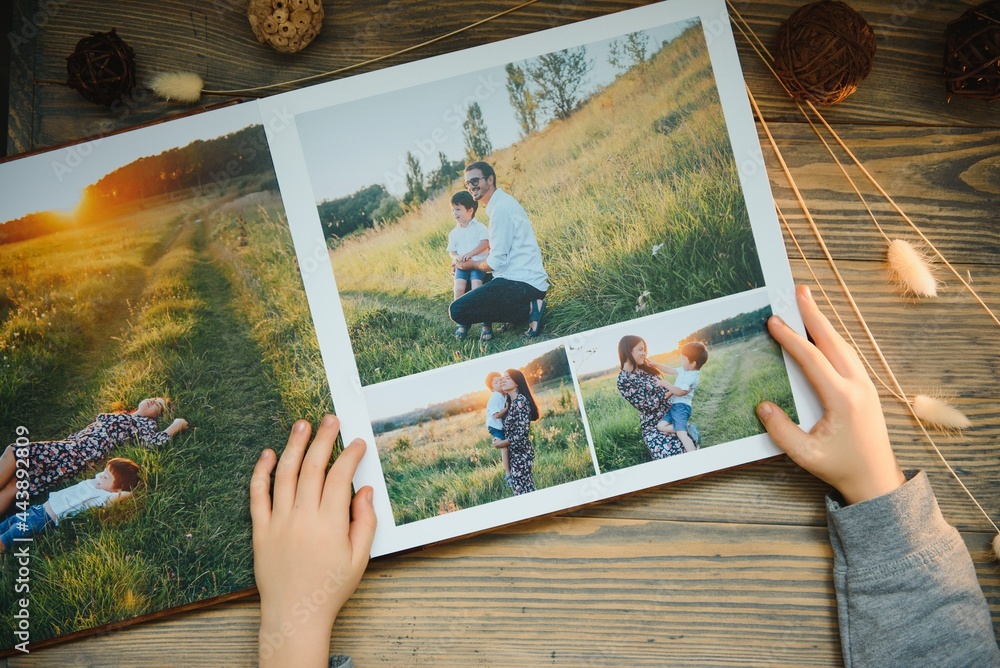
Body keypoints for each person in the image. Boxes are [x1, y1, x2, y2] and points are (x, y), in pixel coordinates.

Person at [252, 286, 1000, 667]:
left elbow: (530, 423)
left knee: (531, 473)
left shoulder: (548, 398)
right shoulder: (624, 383)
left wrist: (293, 626)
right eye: (638, 347)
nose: (645, 352)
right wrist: (877, 494)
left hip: (556, 449)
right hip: (647, 437)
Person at [0, 397, 187, 516]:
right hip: (71, 446)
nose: (153, 401)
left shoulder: (145, 424)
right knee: (16, 484)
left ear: (156, 416)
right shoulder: (127, 415)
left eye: (158, 405)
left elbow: (154, 442)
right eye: (153, 398)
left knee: (15, 451)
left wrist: (176, 425)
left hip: (77, 452)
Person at [450, 161, 549, 341]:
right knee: (470, 282)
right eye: (467, 184)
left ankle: (530, 308)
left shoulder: (501, 209)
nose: (471, 187)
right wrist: (464, 264)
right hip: (514, 277)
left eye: (475, 181)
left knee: (458, 310)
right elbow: (499, 255)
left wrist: (472, 264)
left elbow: (496, 262)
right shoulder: (499, 204)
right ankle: (513, 315)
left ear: (490, 179)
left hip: (524, 283)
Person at [0, 457, 140, 553]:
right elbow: (104, 474)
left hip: (42, 520)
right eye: (104, 473)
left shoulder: (104, 496)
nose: (101, 476)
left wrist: (128, 491)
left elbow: (119, 497)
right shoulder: (96, 482)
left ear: (116, 489)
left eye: (106, 477)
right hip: (37, 509)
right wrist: (107, 475)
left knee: (7, 538)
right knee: (6, 524)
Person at [616, 335, 687, 460]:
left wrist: (674, 388)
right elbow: (647, 406)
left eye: (645, 350)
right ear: (628, 350)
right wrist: (673, 389)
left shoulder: (646, 368)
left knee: (687, 447)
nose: (644, 353)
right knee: (667, 454)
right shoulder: (623, 380)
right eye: (640, 349)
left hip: (670, 414)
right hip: (652, 423)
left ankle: (686, 430)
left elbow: (665, 386)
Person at [446, 191, 490, 339]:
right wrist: (457, 257)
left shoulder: (480, 227)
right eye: (452, 210)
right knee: (458, 288)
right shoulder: (454, 232)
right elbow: (452, 251)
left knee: (477, 288)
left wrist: (470, 254)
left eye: (458, 209)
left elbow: (485, 244)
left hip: (477, 264)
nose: (454, 213)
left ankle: (486, 324)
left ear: (470, 210)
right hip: (462, 266)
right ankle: (462, 323)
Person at [653, 341, 708, 453]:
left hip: (682, 407)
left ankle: (694, 453)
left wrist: (664, 384)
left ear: (693, 363)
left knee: (681, 434)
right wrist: (655, 365)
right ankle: (685, 427)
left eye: (683, 359)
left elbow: (680, 392)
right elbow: (671, 370)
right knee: (661, 426)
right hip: (674, 406)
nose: (681, 361)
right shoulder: (685, 370)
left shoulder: (692, 376)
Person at [491, 369, 540, 495]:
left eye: (508, 377)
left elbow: (521, 434)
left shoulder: (521, 402)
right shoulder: (510, 402)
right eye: (503, 378)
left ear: (517, 382)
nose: (503, 380)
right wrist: (497, 437)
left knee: (523, 492)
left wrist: (503, 443)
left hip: (521, 454)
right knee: (522, 490)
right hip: (513, 454)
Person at [483, 371, 510, 482]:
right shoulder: (494, 398)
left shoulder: (504, 394)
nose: (500, 382)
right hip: (494, 426)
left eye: (500, 380)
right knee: (504, 447)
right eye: (496, 382)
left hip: (501, 425)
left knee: (508, 444)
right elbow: (497, 415)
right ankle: (508, 474)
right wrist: (507, 408)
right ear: (492, 388)